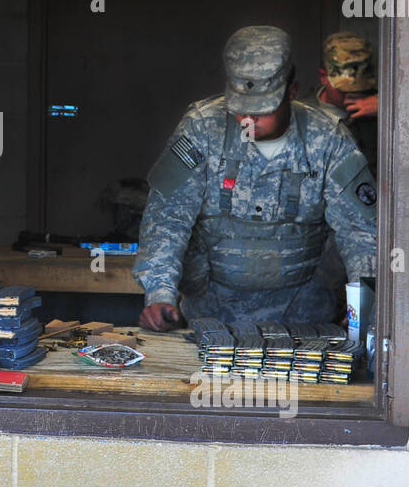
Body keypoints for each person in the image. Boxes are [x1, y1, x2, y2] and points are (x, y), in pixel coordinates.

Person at [135, 25, 377, 330]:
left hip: (306, 321)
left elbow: (361, 233)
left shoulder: (328, 138)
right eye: (240, 110)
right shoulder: (201, 129)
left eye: (262, 111)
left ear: (291, 92)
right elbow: (167, 218)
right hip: (210, 318)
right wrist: (159, 293)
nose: (248, 120)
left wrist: (364, 306)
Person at [313, 31, 378, 176]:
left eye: (361, 87)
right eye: (346, 88)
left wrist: (389, 110)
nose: (353, 94)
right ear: (324, 77)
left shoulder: (382, 108)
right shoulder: (303, 113)